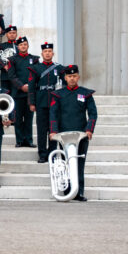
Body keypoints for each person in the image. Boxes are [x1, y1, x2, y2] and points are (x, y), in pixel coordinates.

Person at [49, 64, 97, 202]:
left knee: (79, 163)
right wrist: (53, 131)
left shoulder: (85, 93)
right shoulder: (58, 94)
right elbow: (53, 114)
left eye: (74, 76)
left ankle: (79, 192)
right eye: (69, 76)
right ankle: (67, 191)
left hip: (81, 135)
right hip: (64, 135)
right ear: (65, 78)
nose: (72, 78)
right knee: (65, 163)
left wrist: (89, 129)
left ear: (78, 77)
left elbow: (93, 113)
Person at [27, 42, 65, 163]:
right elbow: (31, 87)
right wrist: (32, 103)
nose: (47, 53)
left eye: (49, 51)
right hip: (41, 101)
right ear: (42, 54)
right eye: (45, 52)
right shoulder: (36, 68)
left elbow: (64, 85)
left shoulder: (59, 68)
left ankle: (52, 153)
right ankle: (42, 154)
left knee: (53, 128)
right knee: (42, 129)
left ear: (53, 54)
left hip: (55, 102)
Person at [7, 36, 38, 148]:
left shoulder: (34, 59)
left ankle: (29, 140)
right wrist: (21, 86)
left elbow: (36, 73)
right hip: (18, 93)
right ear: (18, 47)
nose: (23, 46)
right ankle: (19, 140)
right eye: (21, 45)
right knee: (18, 118)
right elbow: (11, 76)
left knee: (29, 118)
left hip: (30, 93)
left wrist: (30, 86)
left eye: (25, 44)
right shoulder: (12, 60)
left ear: (28, 46)